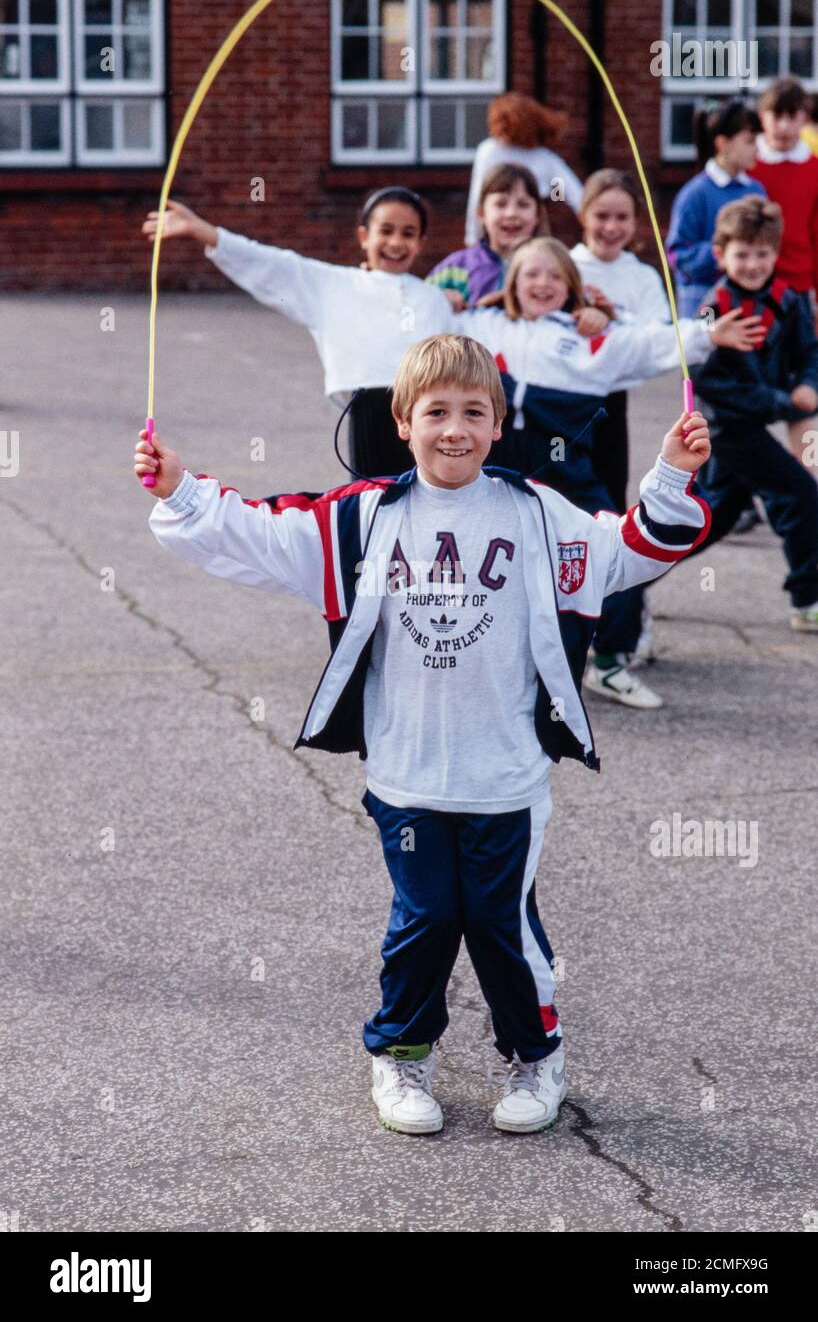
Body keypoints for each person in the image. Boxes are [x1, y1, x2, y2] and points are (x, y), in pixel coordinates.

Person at [135, 332, 713, 1135]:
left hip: (505, 776)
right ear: (403, 422)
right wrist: (180, 489)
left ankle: (535, 1055)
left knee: (502, 926)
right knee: (426, 919)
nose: (455, 429)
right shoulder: (360, 520)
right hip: (405, 776)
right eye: (435, 411)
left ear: (499, 421)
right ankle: (401, 1058)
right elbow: (265, 532)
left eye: (474, 412)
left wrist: (673, 474)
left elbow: (629, 548)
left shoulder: (539, 515)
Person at [455, 237, 763, 708]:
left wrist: (706, 334)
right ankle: (479, 662)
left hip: (566, 468)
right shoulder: (479, 324)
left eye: (555, 276)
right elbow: (421, 325)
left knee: (614, 547)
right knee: (481, 559)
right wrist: (447, 299)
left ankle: (609, 662)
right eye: (531, 273)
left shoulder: (592, 335)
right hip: (496, 468)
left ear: (572, 287)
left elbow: (648, 341)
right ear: (511, 281)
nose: (542, 283)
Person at [141, 187, 454, 478]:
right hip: (367, 411)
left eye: (408, 233)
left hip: (428, 416)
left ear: (422, 242)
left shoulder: (433, 299)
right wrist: (205, 233)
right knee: (372, 505)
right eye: (386, 231)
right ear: (363, 236)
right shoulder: (332, 285)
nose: (396, 242)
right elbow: (272, 265)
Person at [686, 195, 818, 633]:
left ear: (776, 254)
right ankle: (807, 598)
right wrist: (781, 402)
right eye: (742, 254)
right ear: (722, 255)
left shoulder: (791, 300)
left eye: (762, 253)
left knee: (713, 519)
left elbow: (810, 352)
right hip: (726, 428)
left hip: (752, 424)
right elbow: (704, 379)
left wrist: (808, 385)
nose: (753, 263)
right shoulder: (712, 307)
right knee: (801, 493)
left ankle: (628, 580)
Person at [571, 169, 672, 516]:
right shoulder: (564, 266)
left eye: (622, 217)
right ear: (584, 215)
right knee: (561, 488)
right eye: (602, 216)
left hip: (613, 401)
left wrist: (615, 318)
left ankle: (606, 566)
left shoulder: (642, 276)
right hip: (563, 397)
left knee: (609, 493)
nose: (611, 227)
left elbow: (657, 338)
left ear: (635, 222)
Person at [749, 76, 818, 472]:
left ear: (805, 119)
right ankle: (728, 495)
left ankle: (806, 478)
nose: (785, 126)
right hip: (753, 292)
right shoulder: (751, 166)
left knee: (803, 389)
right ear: (763, 118)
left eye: (794, 117)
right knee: (744, 395)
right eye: (777, 115)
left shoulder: (812, 168)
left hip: (798, 290)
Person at [665, 98, 766, 320]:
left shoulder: (756, 190)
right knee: (704, 354)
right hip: (701, 301)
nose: (757, 148)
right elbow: (677, 255)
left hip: (746, 300)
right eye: (749, 140)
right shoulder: (695, 194)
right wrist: (724, 253)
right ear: (723, 143)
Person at [464, 92, 583, 248]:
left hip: (514, 224)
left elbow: (477, 197)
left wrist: (473, 238)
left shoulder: (489, 151)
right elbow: (569, 195)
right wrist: (553, 200)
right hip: (532, 225)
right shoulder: (546, 159)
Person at [426, 163, 547, 310]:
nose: (511, 213)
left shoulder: (555, 267)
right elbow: (419, 306)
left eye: (523, 205)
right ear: (481, 213)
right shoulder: (455, 268)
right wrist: (438, 299)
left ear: (537, 215)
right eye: (501, 204)